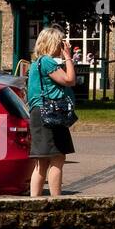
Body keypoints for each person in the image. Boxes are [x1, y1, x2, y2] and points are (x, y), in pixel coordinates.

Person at [26, 26, 77, 197]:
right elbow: (70, 80)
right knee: (57, 158)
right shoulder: (47, 61)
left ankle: (35, 200)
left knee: (42, 161)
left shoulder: (36, 63)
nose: (62, 46)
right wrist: (68, 57)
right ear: (52, 43)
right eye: (60, 43)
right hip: (49, 114)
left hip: (40, 113)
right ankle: (56, 200)